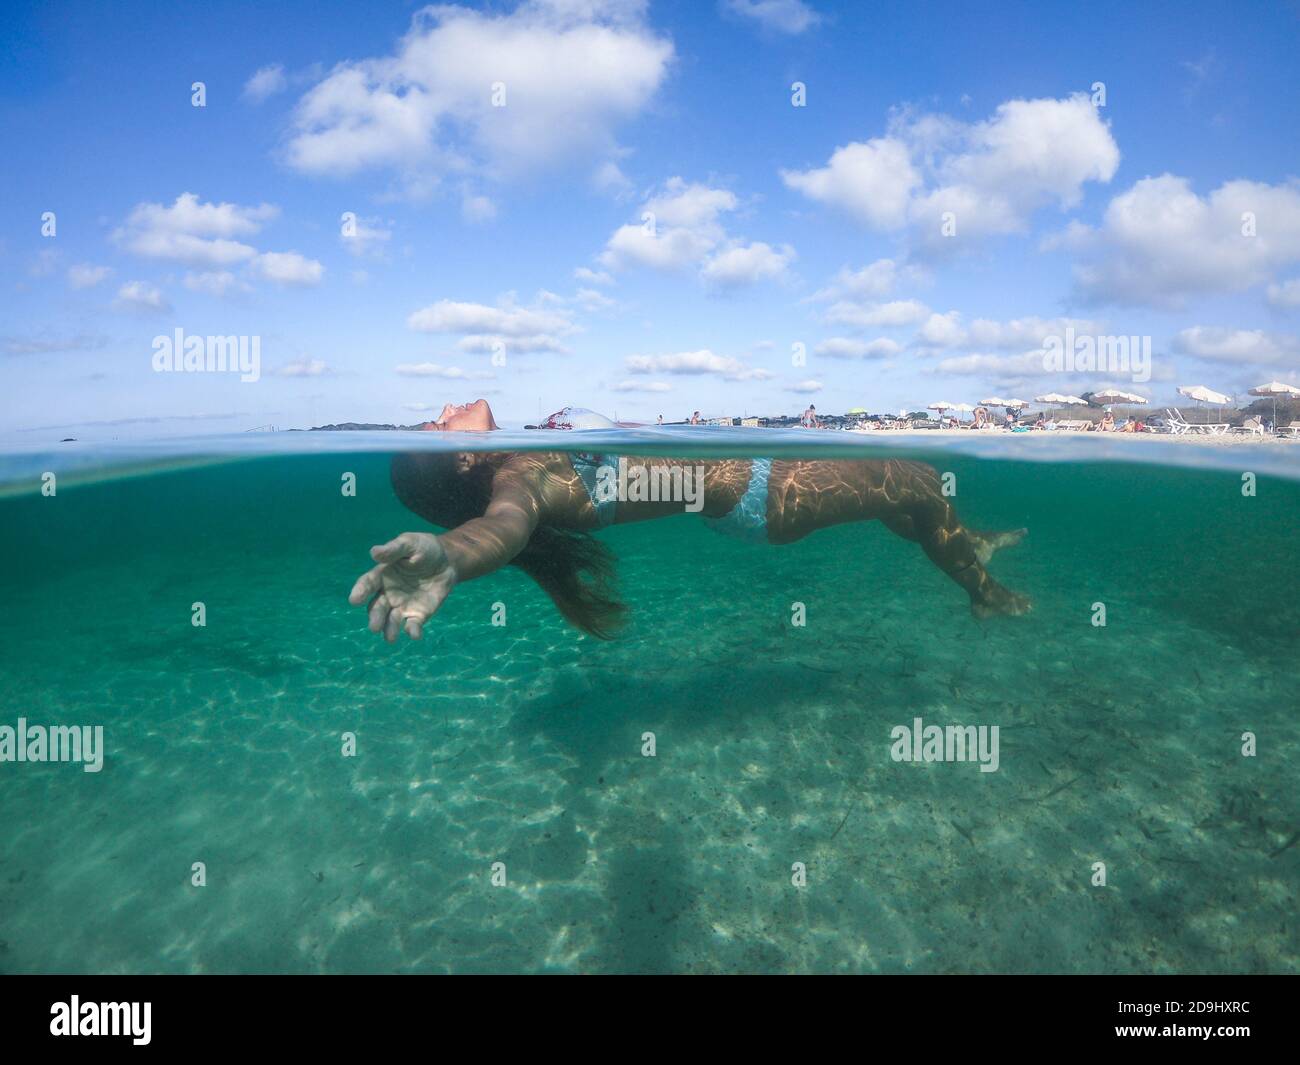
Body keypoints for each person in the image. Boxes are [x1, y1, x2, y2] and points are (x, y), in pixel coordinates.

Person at [348, 399, 1033, 642]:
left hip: (753, 482)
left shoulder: (525, 450)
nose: (442, 409)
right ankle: (986, 594)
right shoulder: (517, 482)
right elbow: (502, 529)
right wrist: (452, 556)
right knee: (912, 482)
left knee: (900, 498)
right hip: (765, 491)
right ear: (464, 458)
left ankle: (966, 543)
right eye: (434, 427)